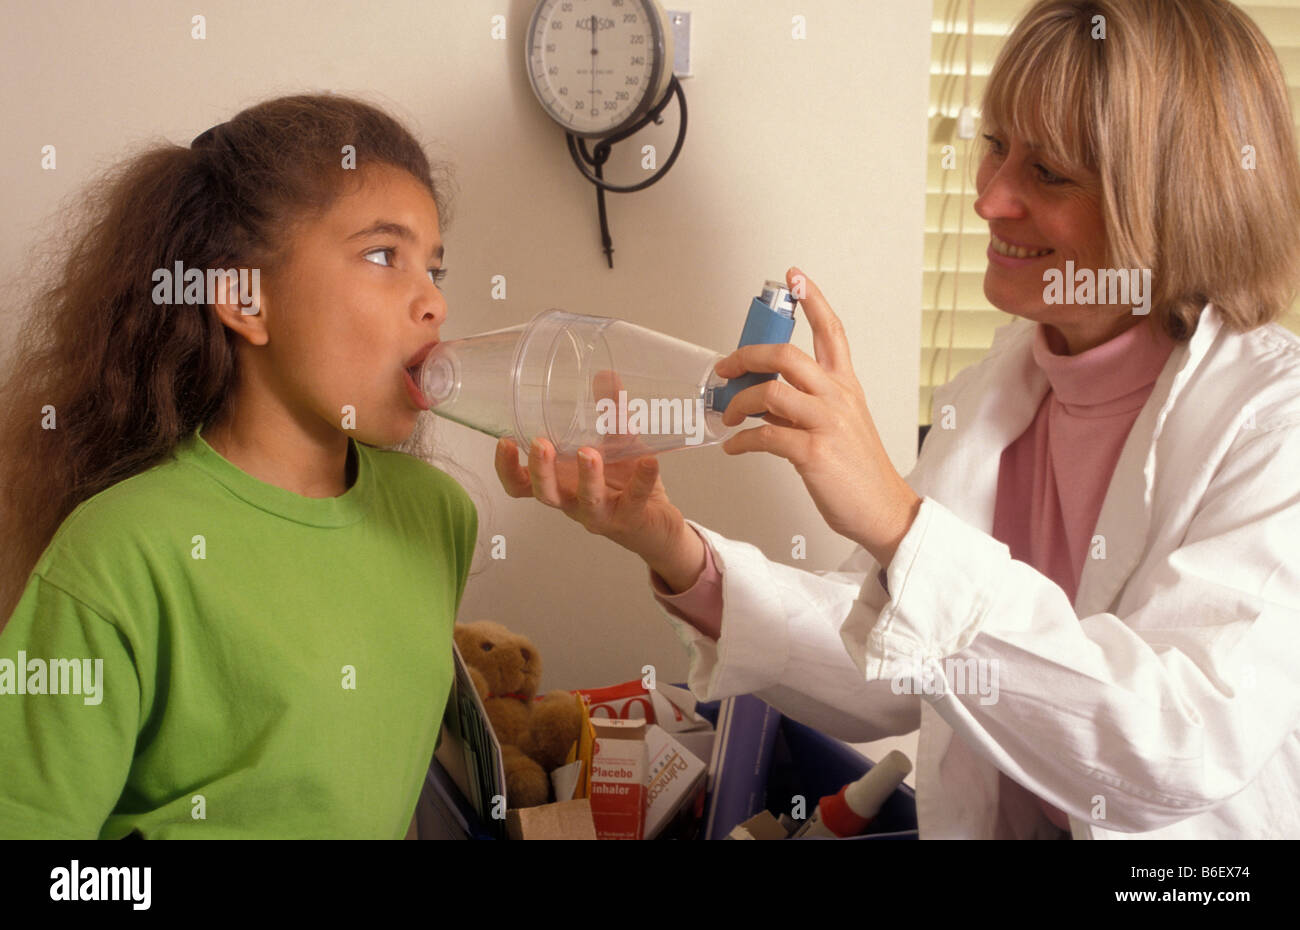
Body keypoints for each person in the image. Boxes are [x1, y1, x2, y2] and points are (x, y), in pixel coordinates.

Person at [494, 0, 1300, 838]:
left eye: (1048, 172)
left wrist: (898, 521)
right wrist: (670, 544)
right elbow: (883, 668)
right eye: (994, 146)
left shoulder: (1275, 424)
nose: (989, 200)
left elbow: (1182, 746)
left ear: (1176, 201)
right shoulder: (998, 394)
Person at [0, 94, 477, 838]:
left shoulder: (438, 515)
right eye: (384, 256)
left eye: (436, 268)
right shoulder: (118, 553)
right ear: (242, 297)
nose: (434, 304)